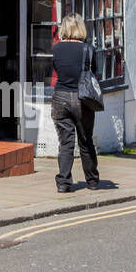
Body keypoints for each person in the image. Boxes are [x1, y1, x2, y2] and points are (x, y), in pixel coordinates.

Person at [49, 13, 99, 193]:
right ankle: (92, 181)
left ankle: (63, 183)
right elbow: (95, 76)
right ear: (81, 28)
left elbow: (57, 70)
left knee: (65, 143)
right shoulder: (89, 50)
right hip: (82, 99)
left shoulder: (56, 49)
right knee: (85, 141)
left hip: (60, 97)